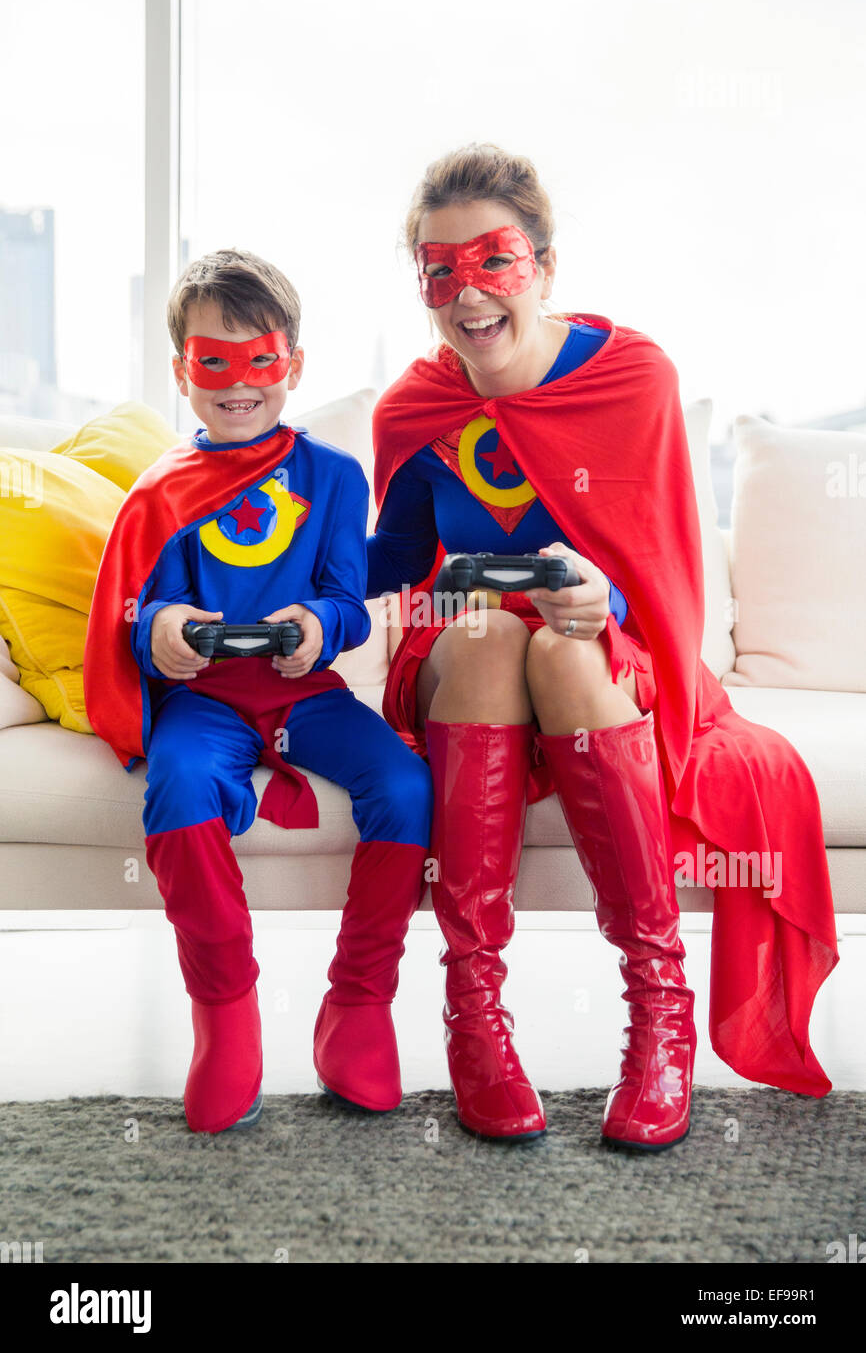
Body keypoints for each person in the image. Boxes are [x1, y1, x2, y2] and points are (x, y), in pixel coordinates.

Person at [367, 143, 839, 1150]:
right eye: (438, 270)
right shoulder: (415, 404)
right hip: (462, 651)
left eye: (492, 260)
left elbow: (661, 559)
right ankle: (473, 1015)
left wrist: (597, 594)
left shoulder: (629, 376)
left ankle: (659, 1015)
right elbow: (397, 559)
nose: (467, 292)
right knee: (494, 631)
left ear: (540, 264)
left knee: (554, 649)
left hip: (599, 649)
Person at [84, 249, 432, 1133]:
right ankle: (225, 1012)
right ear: (182, 373)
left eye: (260, 362)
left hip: (307, 691)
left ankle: (359, 1006)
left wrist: (318, 625)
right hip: (206, 700)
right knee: (181, 784)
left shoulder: (334, 479)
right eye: (214, 364)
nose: (239, 386)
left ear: (294, 367)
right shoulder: (160, 493)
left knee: (403, 784)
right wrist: (162, 629)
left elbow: (351, 602)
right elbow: (135, 608)